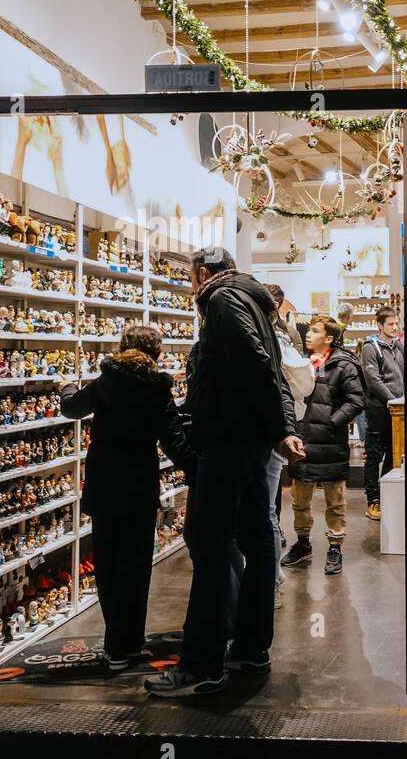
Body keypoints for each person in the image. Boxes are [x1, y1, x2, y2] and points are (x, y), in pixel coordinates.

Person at [144, 248, 304, 697]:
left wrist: (279, 429)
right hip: (250, 443)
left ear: (201, 274)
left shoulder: (222, 300)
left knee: (209, 545)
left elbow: (256, 365)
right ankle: (251, 650)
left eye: (190, 279)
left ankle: (200, 664)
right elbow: (273, 372)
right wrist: (280, 429)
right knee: (256, 544)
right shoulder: (256, 302)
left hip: (228, 443)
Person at [59, 323, 196, 670]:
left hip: (106, 482)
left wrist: (66, 389)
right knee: (136, 566)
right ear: (156, 353)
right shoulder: (157, 390)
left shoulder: (108, 382)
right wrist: (199, 471)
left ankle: (114, 645)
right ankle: (130, 643)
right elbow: (174, 441)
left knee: (107, 564)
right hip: (139, 482)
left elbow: (73, 408)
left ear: (122, 348)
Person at [281, 314, 365, 576]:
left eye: (314, 331)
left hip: (330, 443)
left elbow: (356, 400)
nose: (307, 334)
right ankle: (303, 542)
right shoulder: (301, 364)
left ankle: (335, 547)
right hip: (304, 442)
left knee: (335, 501)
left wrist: (332, 422)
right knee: (300, 501)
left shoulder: (344, 365)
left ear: (329, 338)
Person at [265, 284, 315, 608]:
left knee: (265, 510)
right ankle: (269, 578)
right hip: (277, 429)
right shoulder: (281, 335)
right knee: (267, 509)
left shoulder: (275, 338)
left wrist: (286, 430)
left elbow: (283, 386)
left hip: (269, 433)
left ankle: (269, 580)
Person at [361, 306, 405, 520]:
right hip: (379, 410)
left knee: (393, 453)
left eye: (396, 323)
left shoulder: (399, 346)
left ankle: (387, 495)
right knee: (374, 454)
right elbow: (373, 380)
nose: (395, 327)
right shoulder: (371, 348)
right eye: (390, 324)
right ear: (380, 325)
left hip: (397, 411)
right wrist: (393, 400)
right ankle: (373, 500)